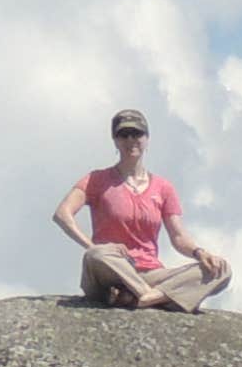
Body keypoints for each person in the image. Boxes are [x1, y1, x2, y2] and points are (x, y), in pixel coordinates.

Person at [55, 110, 231, 311]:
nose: (131, 140)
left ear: (147, 138)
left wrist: (200, 253)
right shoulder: (97, 179)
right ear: (115, 140)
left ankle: (141, 297)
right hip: (110, 270)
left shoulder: (163, 187)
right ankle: (157, 296)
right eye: (124, 134)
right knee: (95, 255)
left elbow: (178, 235)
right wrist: (92, 246)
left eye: (137, 134)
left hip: (150, 273)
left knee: (222, 269)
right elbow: (62, 214)